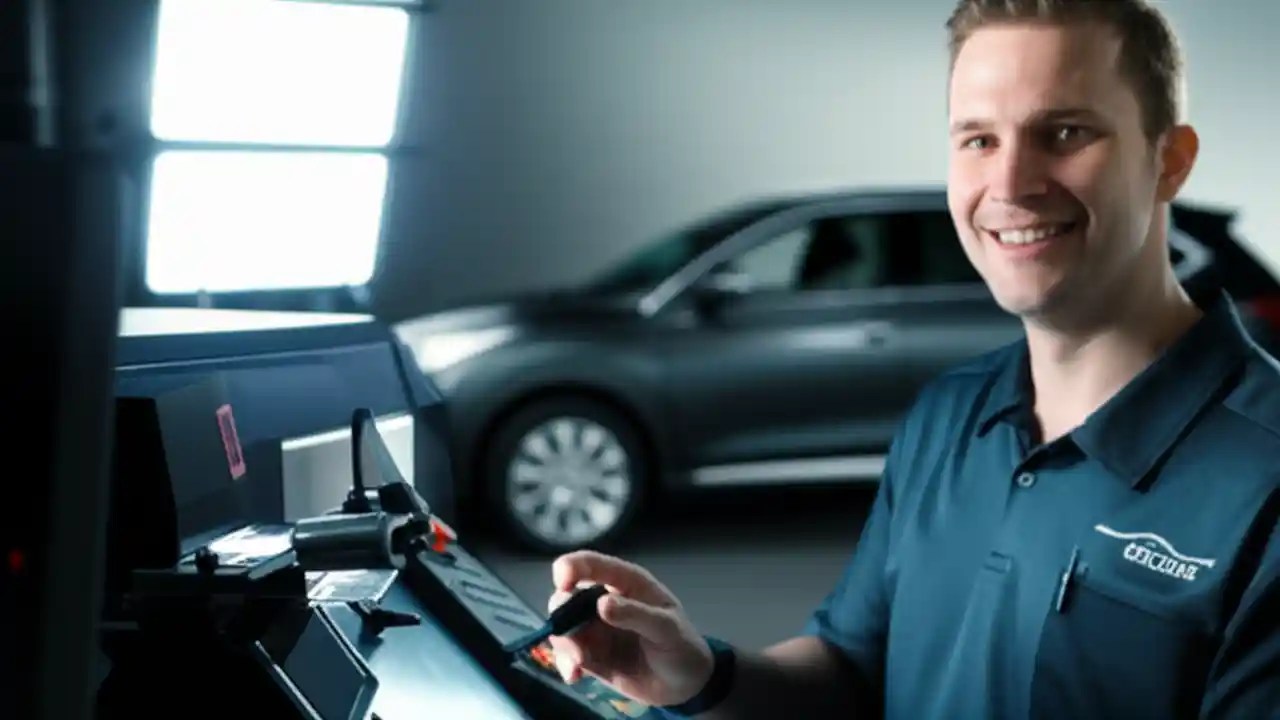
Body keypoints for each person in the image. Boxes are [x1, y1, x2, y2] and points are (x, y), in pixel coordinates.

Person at [545, 0, 1280, 718]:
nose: (1012, 184)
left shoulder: (1266, 484)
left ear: (1170, 161)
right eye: (978, 140)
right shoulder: (950, 414)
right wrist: (701, 676)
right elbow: (852, 672)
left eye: (1064, 132)